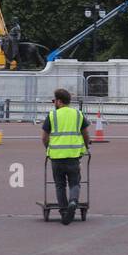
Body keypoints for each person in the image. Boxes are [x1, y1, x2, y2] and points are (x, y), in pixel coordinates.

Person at [42, 88, 90, 225]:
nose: (54, 103)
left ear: (59, 101)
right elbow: (85, 133)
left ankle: (63, 211)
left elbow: (44, 136)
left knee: (59, 184)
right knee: (75, 182)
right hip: (73, 155)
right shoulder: (78, 114)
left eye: (54, 101)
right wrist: (86, 147)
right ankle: (73, 201)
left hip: (56, 156)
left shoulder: (52, 115)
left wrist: (48, 149)